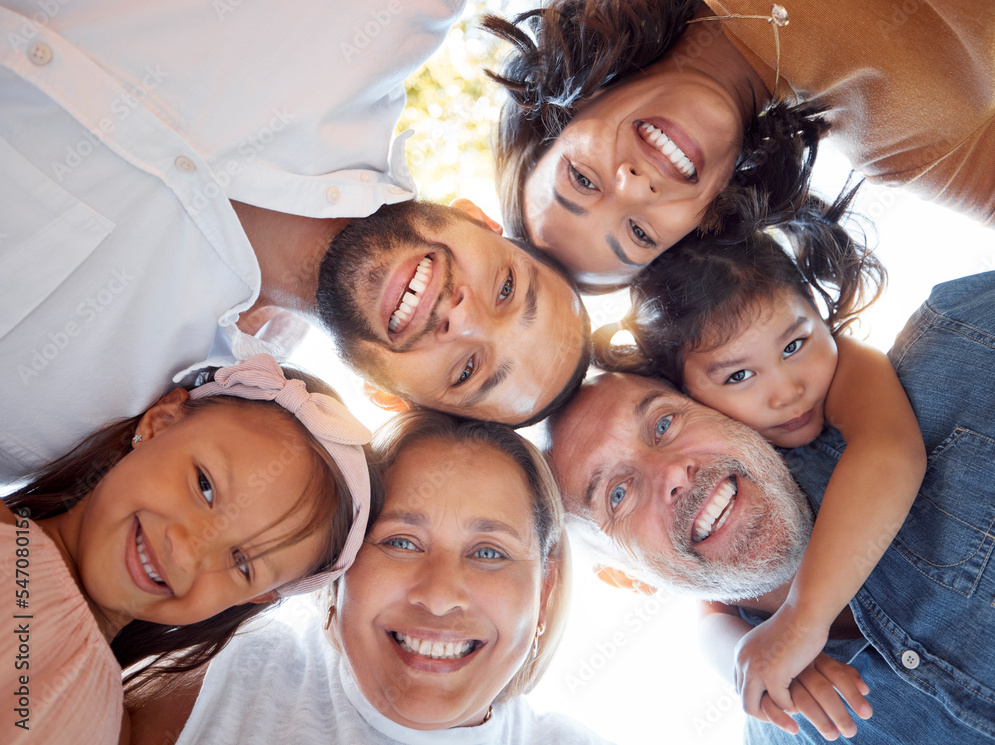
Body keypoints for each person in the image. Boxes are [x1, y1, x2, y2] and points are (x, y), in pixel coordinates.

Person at [0, 0, 590, 481]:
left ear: (386, 397)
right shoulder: (385, 24)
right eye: (507, 288)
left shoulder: (56, 427)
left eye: (467, 370)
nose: (461, 319)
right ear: (477, 217)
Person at [546, 270, 995, 742]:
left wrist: (800, 619)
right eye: (617, 495)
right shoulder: (783, 723)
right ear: (629, 579)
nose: (672, 473)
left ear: (717, 410)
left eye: (664, 424)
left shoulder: (964, 345)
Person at [595, 227, 926, 719]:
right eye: (739, 376)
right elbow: (710, 617)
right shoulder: (722, 465)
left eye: (794, 345)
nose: (788, 391)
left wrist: (801, 619)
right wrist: (751, 658)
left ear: (814, 308)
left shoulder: (848, 369)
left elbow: (890, 451)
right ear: (684, 394)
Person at [128, 410, 612, 745]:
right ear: (340, 568)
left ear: (545, 591)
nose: (439, 596)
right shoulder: (221, 674)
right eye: (402, 542)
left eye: (488, 552)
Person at [484, 0, 995, 287]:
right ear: (703, 223)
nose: (634, 187)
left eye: (581, 179)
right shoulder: (903, 150)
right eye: (639, 232)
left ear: (573, 103)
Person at [0, 354, 372, 744]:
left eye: (242, 563)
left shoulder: (112, 727)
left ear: (254, 598)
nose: (187, 553)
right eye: (205, 487)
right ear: (159, 423)